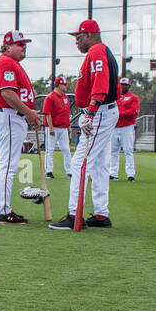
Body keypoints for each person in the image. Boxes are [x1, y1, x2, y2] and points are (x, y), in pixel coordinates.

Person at [49, 19, 120, 230]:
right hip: (103, 111)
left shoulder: (96, 51)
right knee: (99, 164)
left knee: (80, 163)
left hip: (99, 112)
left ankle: (74, 215)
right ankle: (101, 214)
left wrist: (91, 111)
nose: (76, 42)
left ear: (90, 35)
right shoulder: (98, 51)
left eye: (78, 37)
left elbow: (101, 82)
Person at [0, 31, 41, 224]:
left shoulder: (12, 64)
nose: (23, 46)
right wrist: (29, 113)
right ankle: (2, 212)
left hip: (9, 117)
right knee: (8, 166)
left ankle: (3, 209)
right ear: (8, 46)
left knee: (8, 165)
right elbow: (8, 94)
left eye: (25, 44)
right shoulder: (6, 63)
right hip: (8, 117)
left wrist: (29, 114)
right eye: (19, 44)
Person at [42, 75, 72, 178]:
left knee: (66, 150)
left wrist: (68, 126)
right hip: (53, 127)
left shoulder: (65, 97)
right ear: (59, 85)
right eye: (64, 84)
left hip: (63, 128)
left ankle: (69, 171)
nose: (66, 86)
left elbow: (66, 113)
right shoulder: (50, 97)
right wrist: (50, 127)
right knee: (50, 150)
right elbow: (47, 113)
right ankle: (49, 171)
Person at [111, 76, 139, 181]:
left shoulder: (133, 97)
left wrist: (118, 114)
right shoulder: (115, 98)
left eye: (125, 85)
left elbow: (133, 111)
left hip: (127, 127)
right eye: (121, 85)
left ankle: (130, 174)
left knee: (128, 150)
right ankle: (113, 173)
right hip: (115, 127)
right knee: (113, 151)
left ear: (129, 86)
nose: (123, 87)